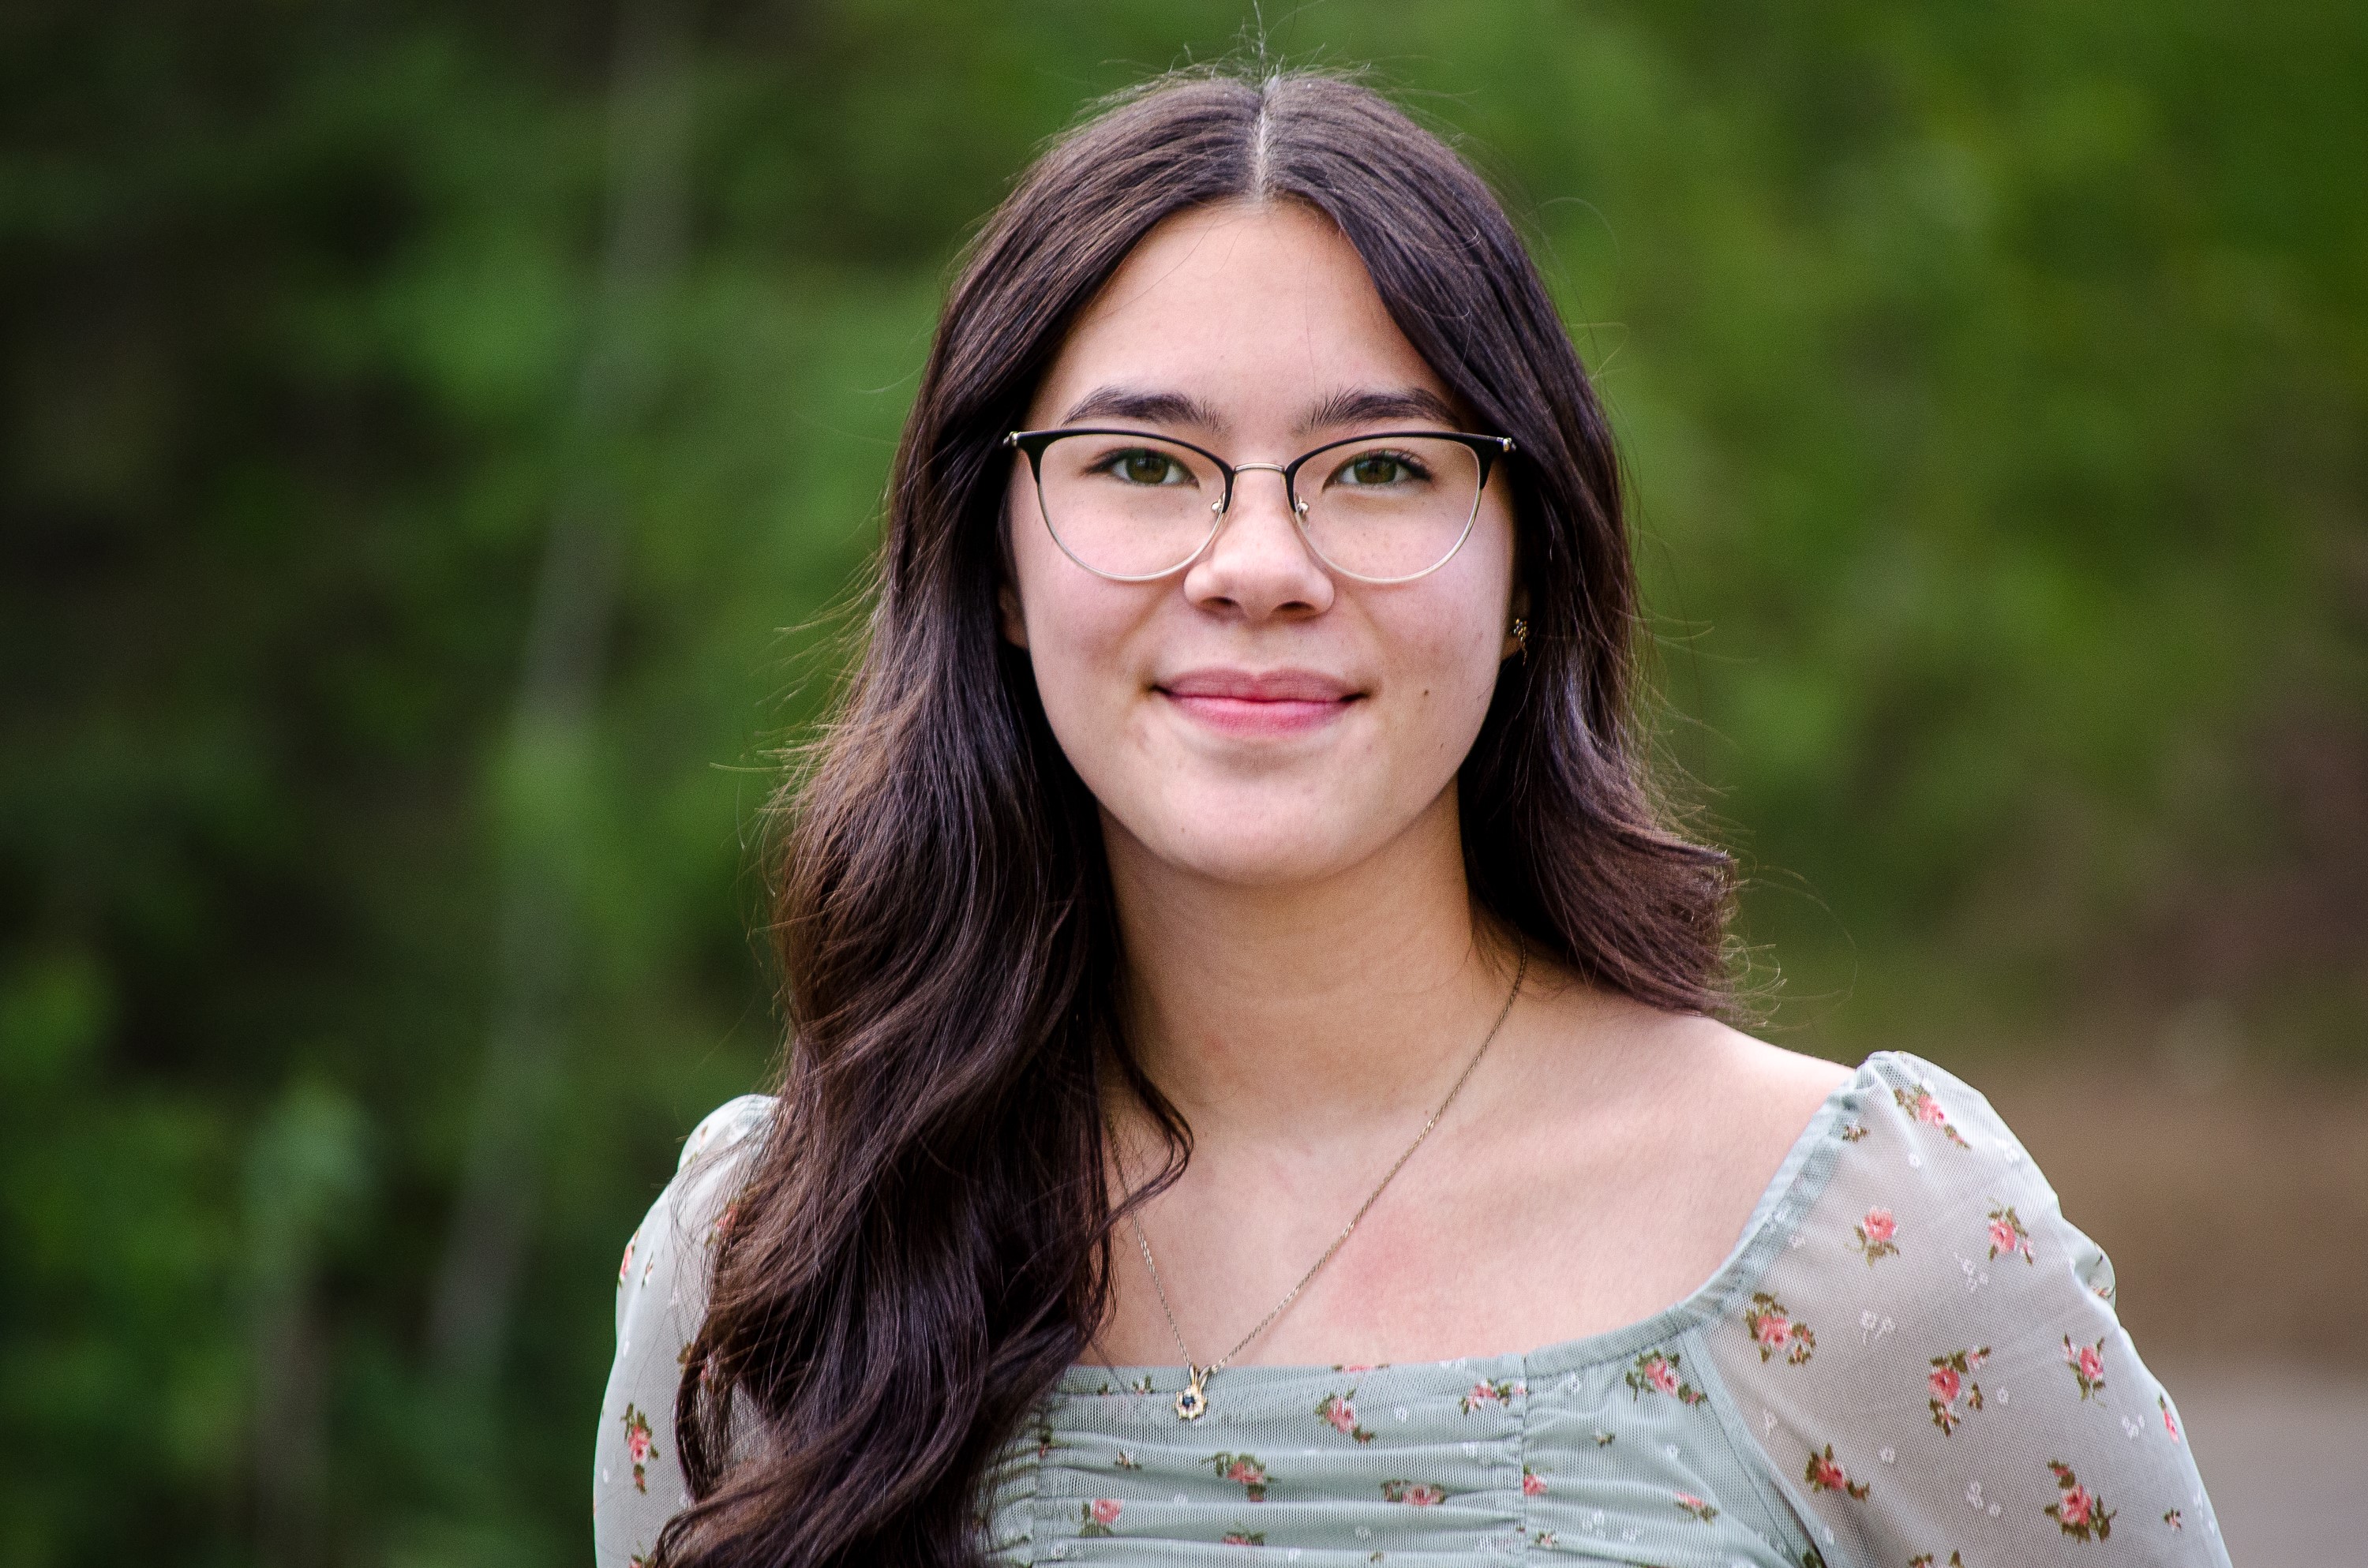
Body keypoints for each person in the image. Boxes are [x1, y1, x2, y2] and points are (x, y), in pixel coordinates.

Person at [592, 69, 2227, 1568]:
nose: (1256, 567)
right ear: (996, 568)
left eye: (1379, 468)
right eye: (1143, 463)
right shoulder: (772, 1267)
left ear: (1528, 574)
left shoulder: (1868, 1244)